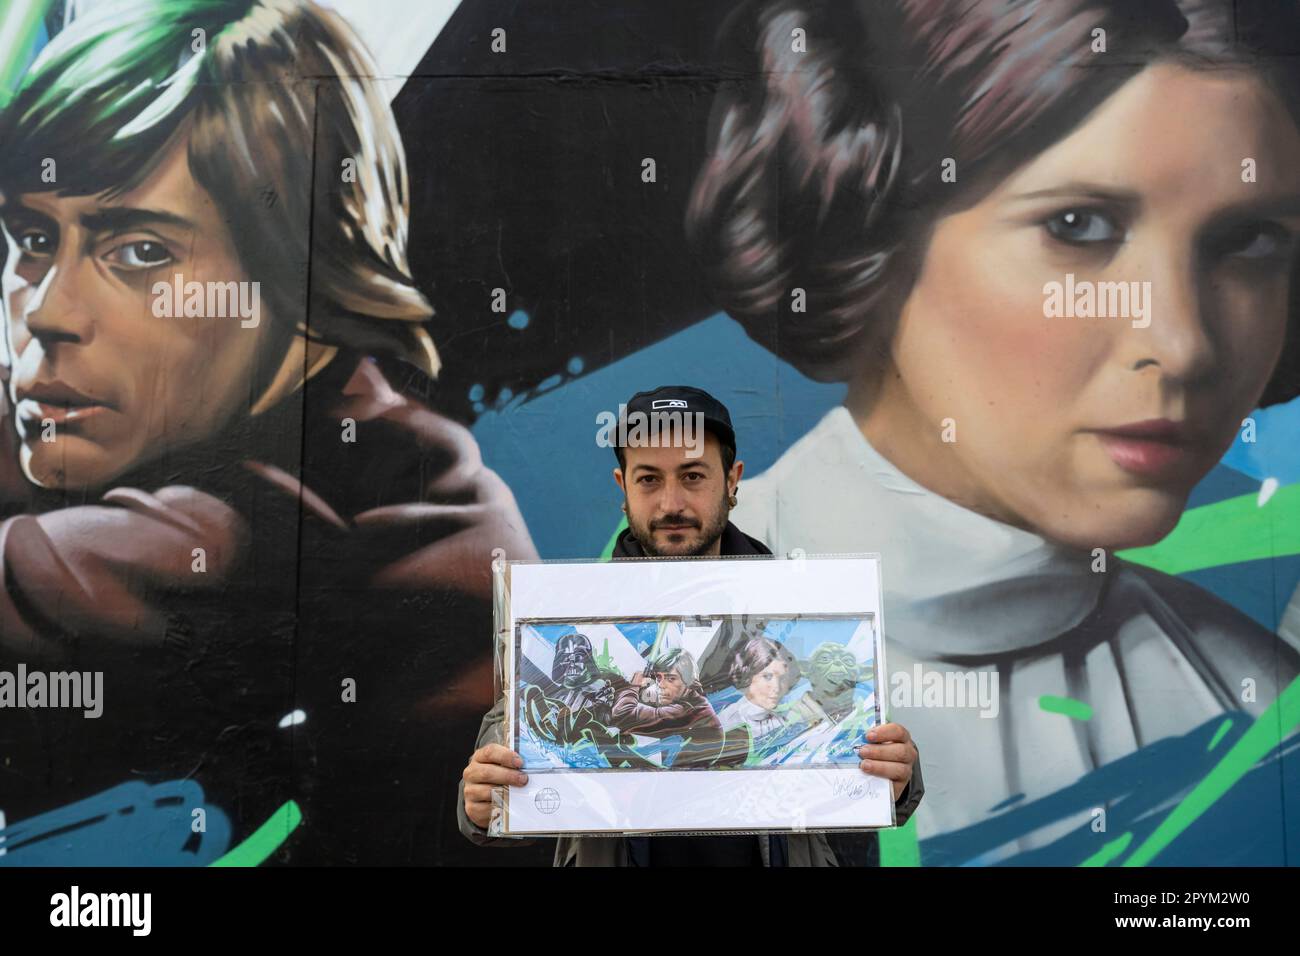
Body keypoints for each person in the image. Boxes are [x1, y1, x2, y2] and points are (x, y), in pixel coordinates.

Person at [687, 0, 1300, 863]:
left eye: (1248, 242)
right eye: (1078, 226)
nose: (1184, 343)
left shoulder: (1258, 711)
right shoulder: (673, 644)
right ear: (872, 233)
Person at [0, 0, 536, 865]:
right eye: (31, 237)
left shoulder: (382, 508)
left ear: (300, 273)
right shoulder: (123, 406)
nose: (49, 313)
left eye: (140, 251)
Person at [459, 385, 923, 865]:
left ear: (732, 480)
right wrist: (480, 801)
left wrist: (899, 775)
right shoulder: (575, 618)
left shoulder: (798, 614)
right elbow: (504, 764)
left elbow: (855, 732)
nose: (670, 504)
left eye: (693, 476)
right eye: (649, 480)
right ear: (623, 488)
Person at [716, 635, 800, 738]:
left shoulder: (776, 716)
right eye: (767, 676)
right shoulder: (729, 724)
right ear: (748, 677)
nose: (776, 688)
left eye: (782, 678)